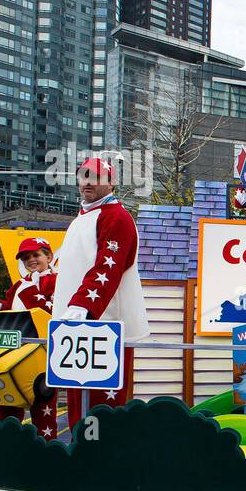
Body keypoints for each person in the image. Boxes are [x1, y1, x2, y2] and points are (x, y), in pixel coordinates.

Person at [52, 157, 150, 420]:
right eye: (83, 176)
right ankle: (83, 455)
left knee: (100, 409)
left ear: (111, 182)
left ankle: (97, 457)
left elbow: (109, 266)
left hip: (103, 324)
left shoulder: (116, 217)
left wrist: (83, 304)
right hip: (79, 327)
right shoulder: (83, 218)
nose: (88, 182)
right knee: (79, 405)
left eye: (97, 177)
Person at [0, 237, 60, 437]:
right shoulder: (20, 285)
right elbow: (10, 306)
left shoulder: (61, 280)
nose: (31, 260)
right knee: (9, 402)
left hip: (44, 354)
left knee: (44, 406)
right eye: (26, 257)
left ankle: (47, 451)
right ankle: (7, 447)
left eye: (36, 255)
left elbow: (55, 311)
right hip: (15, 354)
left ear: (49, 256)